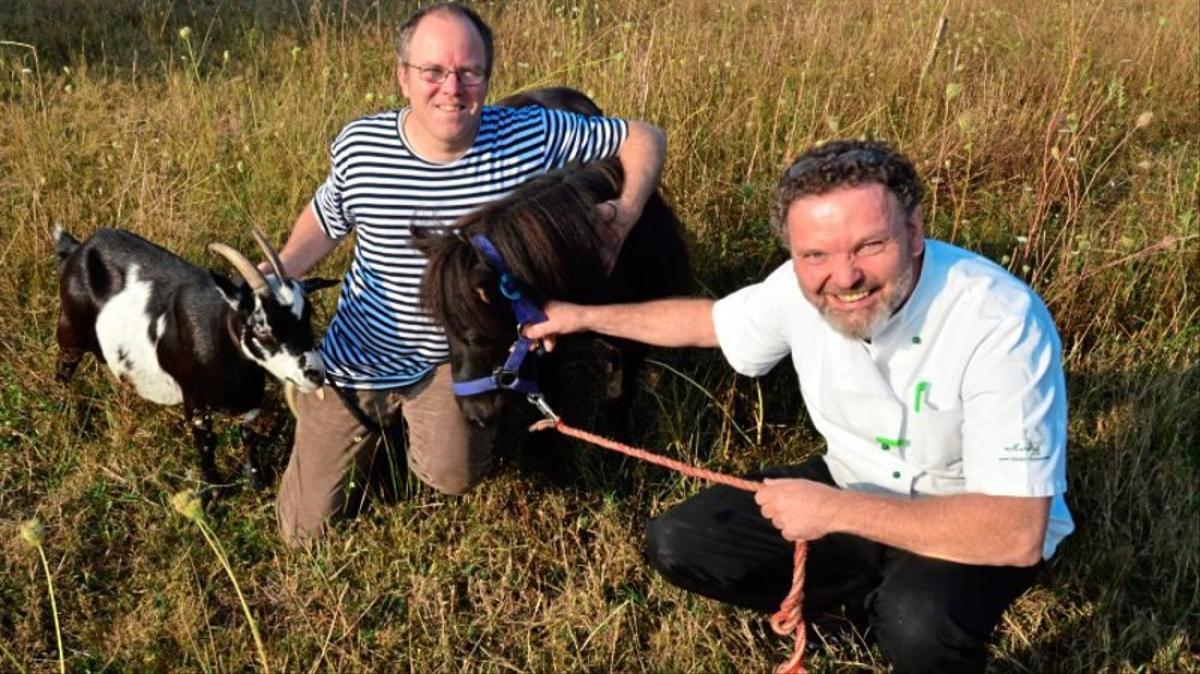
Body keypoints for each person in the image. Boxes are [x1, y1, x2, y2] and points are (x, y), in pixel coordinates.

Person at [524, 139, 1073, 673]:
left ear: (913, 230)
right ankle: (857, 607)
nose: (845, 277)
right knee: (681, 541)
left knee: (917, 623)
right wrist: (582, 317)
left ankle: (897, 611)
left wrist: (834, 513)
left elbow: (1015, 531)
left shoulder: (998, 320)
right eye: (815, 255)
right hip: (850, 480)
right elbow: (709, 323)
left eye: (869, 246)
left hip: (963, 515)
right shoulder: (794, 288)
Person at [270, 2, 667, 544]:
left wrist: (623, 217)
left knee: (451, 478)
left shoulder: (531, 136)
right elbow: (326, 219)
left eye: (469, 72)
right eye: (433, 71)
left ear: (488, 77)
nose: (452, 89)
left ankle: (423, 430)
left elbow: (644, 137)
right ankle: (366, 424)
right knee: (300, 532)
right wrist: (275, 275)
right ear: (403, 77)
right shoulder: (361, 147)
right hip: (360, 352)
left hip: (457, 357)